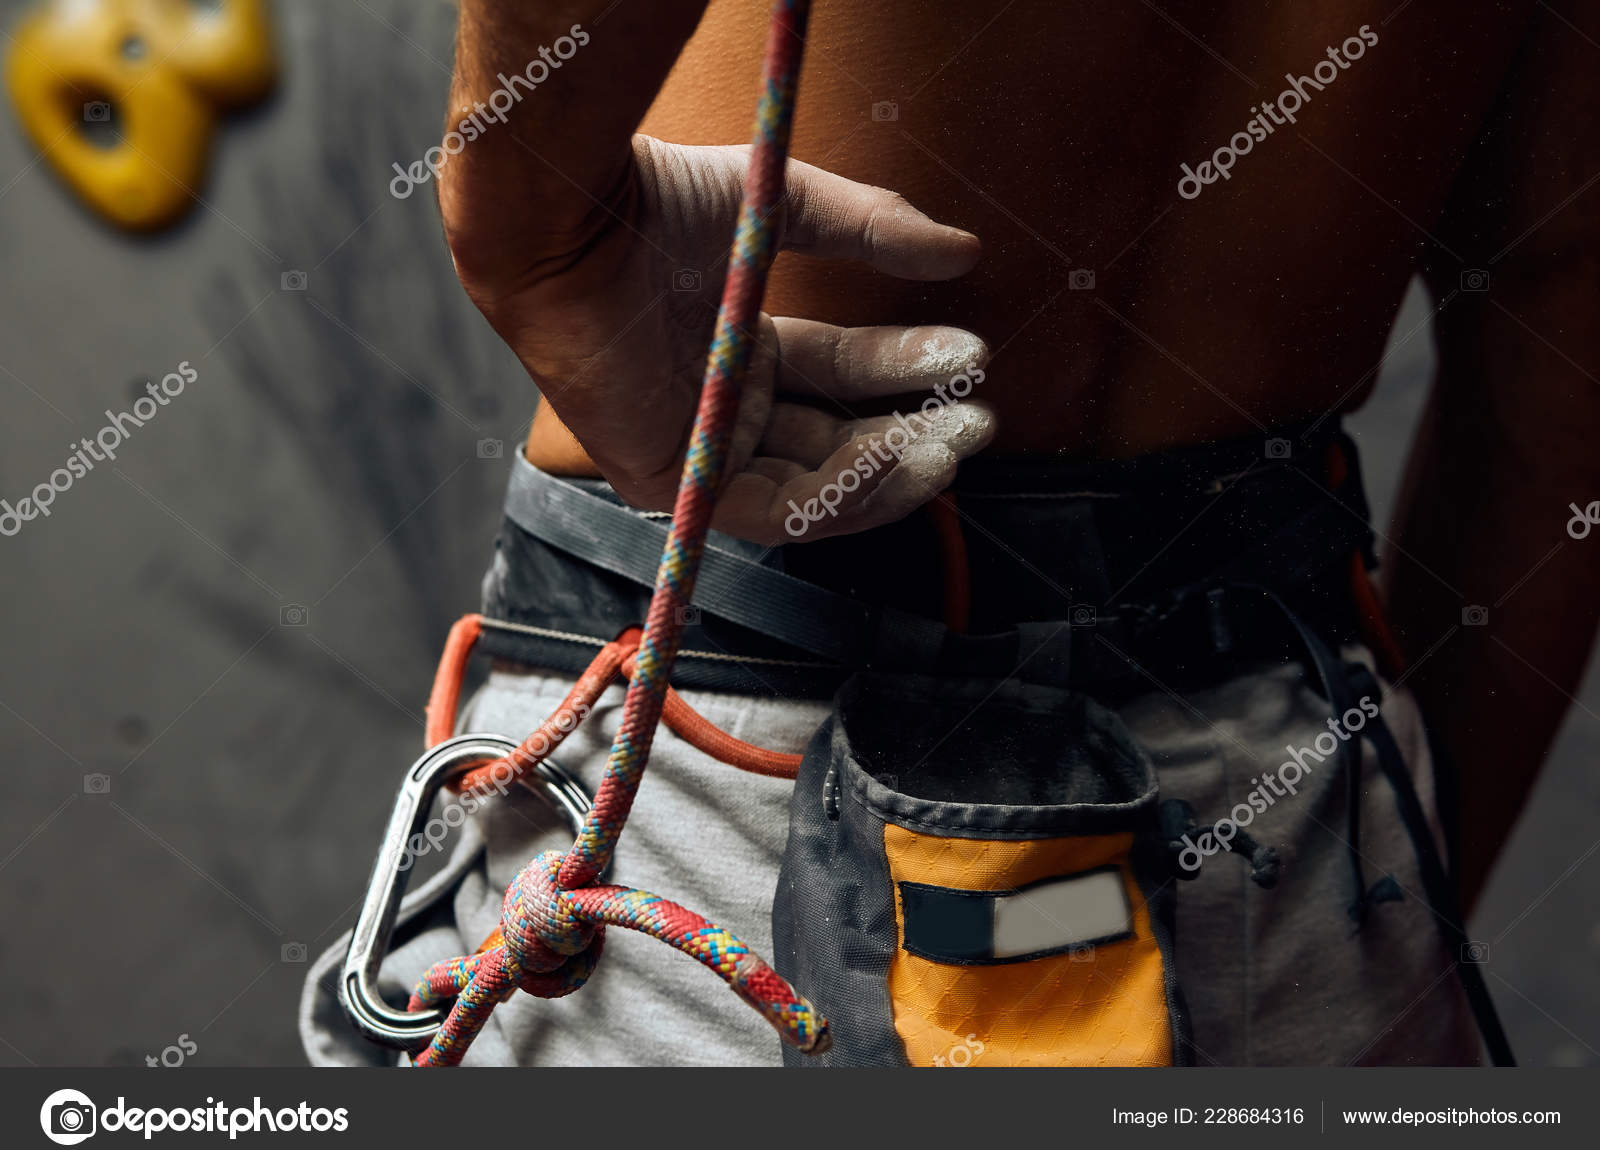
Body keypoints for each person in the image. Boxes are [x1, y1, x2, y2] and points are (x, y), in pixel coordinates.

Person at [302, 0, 1600, 1066]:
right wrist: (1398, 884)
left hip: (718, 803)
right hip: (1295, 843)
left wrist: (533, 237)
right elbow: (1558, 301)